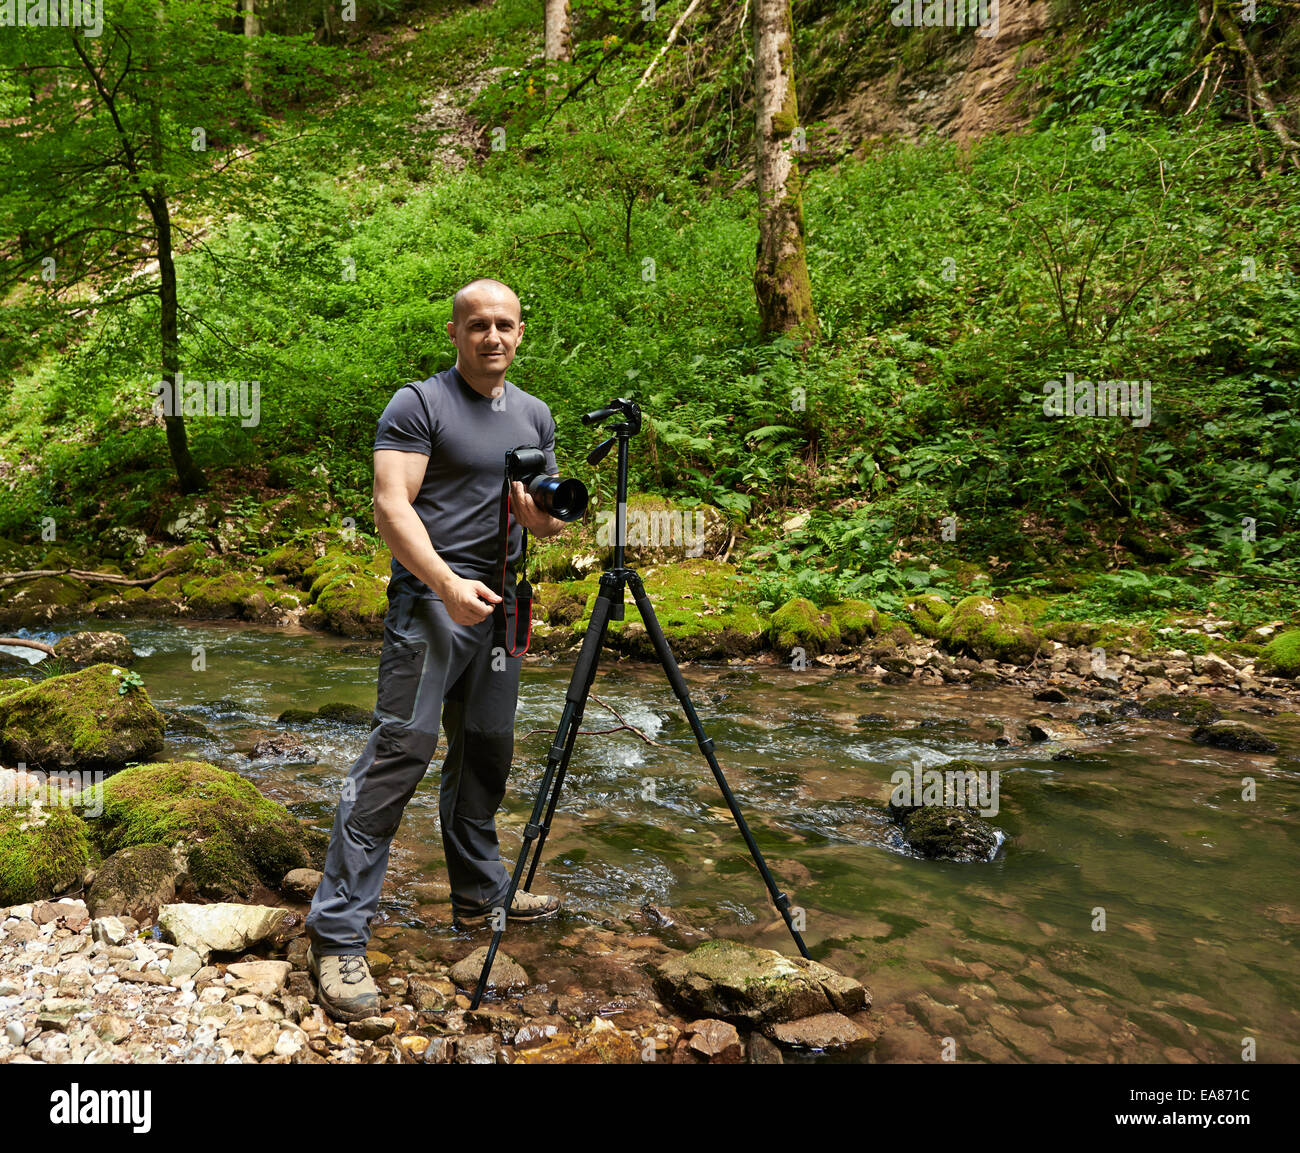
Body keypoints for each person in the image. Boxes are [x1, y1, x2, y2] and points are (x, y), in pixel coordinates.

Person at [304, 278, 571, 1022]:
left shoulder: (534, 414)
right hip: (430, 603)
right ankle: (337, 934)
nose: (493, 336)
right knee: (401, 751)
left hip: (501, 606)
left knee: (486, 746)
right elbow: (391, 506)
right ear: (455, 332)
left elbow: (547, 523)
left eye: (505, 325)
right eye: (478, 324)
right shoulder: (419, 404)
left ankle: (479, 894)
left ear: (521, 332)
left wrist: (537, 515)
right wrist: (447, 584)